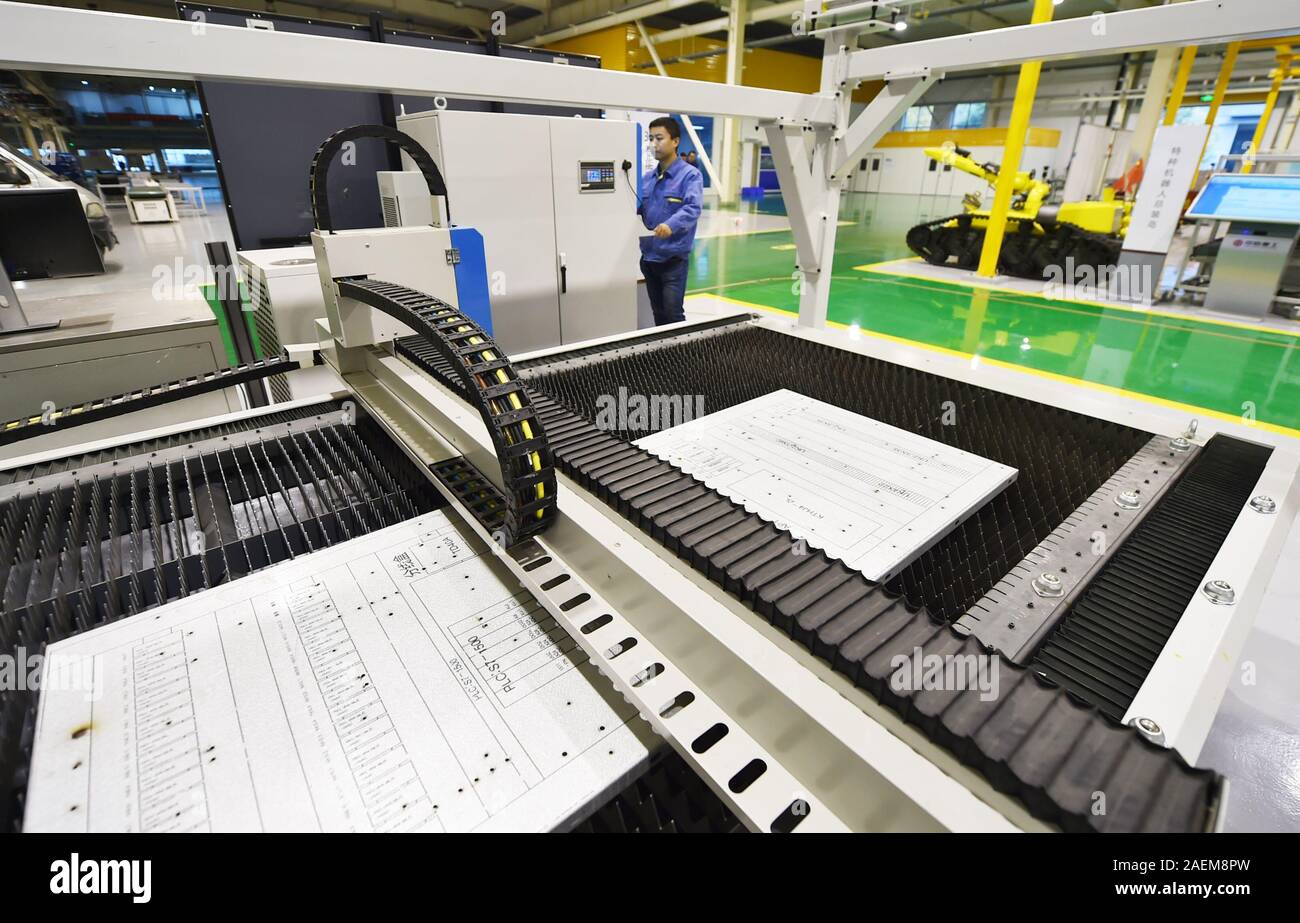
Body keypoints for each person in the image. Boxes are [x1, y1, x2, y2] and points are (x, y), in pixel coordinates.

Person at [638, 117, 702, 326]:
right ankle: (663, 357)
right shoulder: (646, 179)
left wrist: (670, 225)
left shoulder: (690, 176)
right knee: (658, 313)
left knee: (673, 315)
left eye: (659, 138)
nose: (653, 144)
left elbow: (692, 208)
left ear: (675, 141)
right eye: (650, 138)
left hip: (672, 261)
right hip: (649, 260)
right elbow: (636, 209)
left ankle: (680, 358)